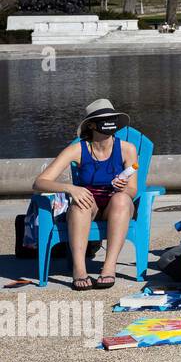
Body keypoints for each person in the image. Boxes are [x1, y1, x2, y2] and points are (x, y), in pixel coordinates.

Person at [32, 99, 139, 290]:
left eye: (112, 118)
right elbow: (39, 182)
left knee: (122, 199)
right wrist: (71, 188)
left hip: (116, 206)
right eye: (104, 119)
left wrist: (123, 188)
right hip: (88, 205)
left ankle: (109, 267)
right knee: (80, 204)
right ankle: (79, 270)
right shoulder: (77, 150)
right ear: (91, 124)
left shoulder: (127, 149)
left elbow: (133, 190)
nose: (109, 122)